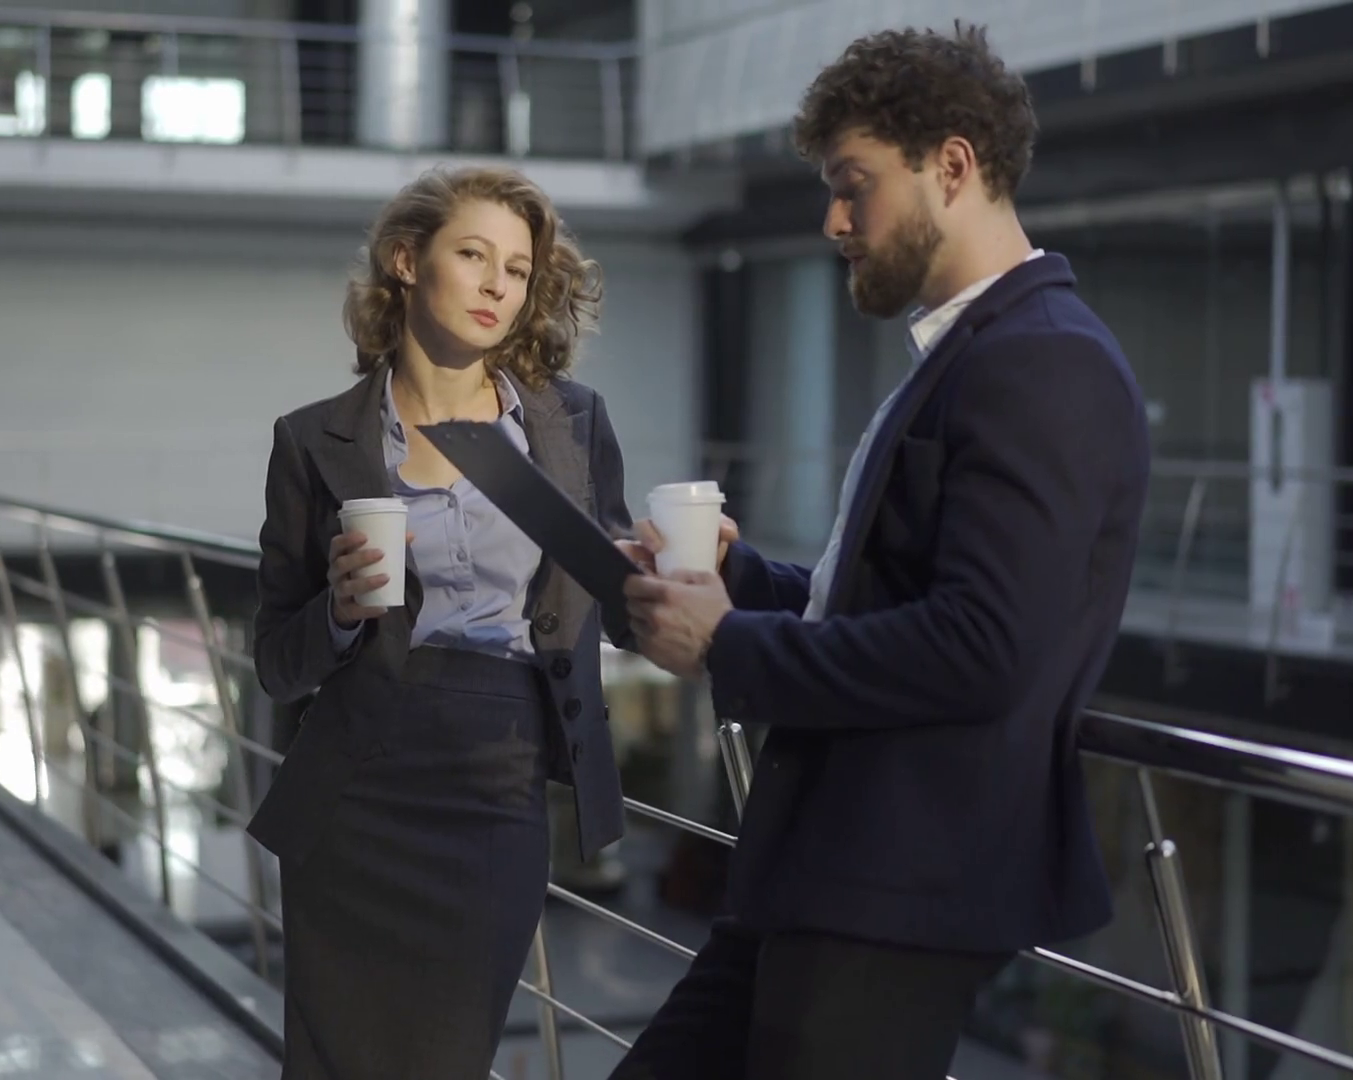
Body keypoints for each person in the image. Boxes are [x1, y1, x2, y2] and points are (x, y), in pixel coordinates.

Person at [610, 22, 1151, 1080]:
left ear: (951, 166)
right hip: (822, 875)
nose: (834, 220)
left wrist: (728, 647)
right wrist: (744, 583)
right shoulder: (977, 351)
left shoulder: (1043, 363)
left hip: (893, 891)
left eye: (854, 185)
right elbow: (898, 599)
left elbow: (985, 644)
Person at [246, 165, 635, 1079]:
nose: (501, 284)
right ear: (406, 261)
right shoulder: (313, 442)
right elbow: (273, 660)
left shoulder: (571, 425)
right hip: (354, 791)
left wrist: (676, 575)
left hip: (497, 782)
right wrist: (338, 613)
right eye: (474, 256)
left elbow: (613, 603)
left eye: (518, 267)